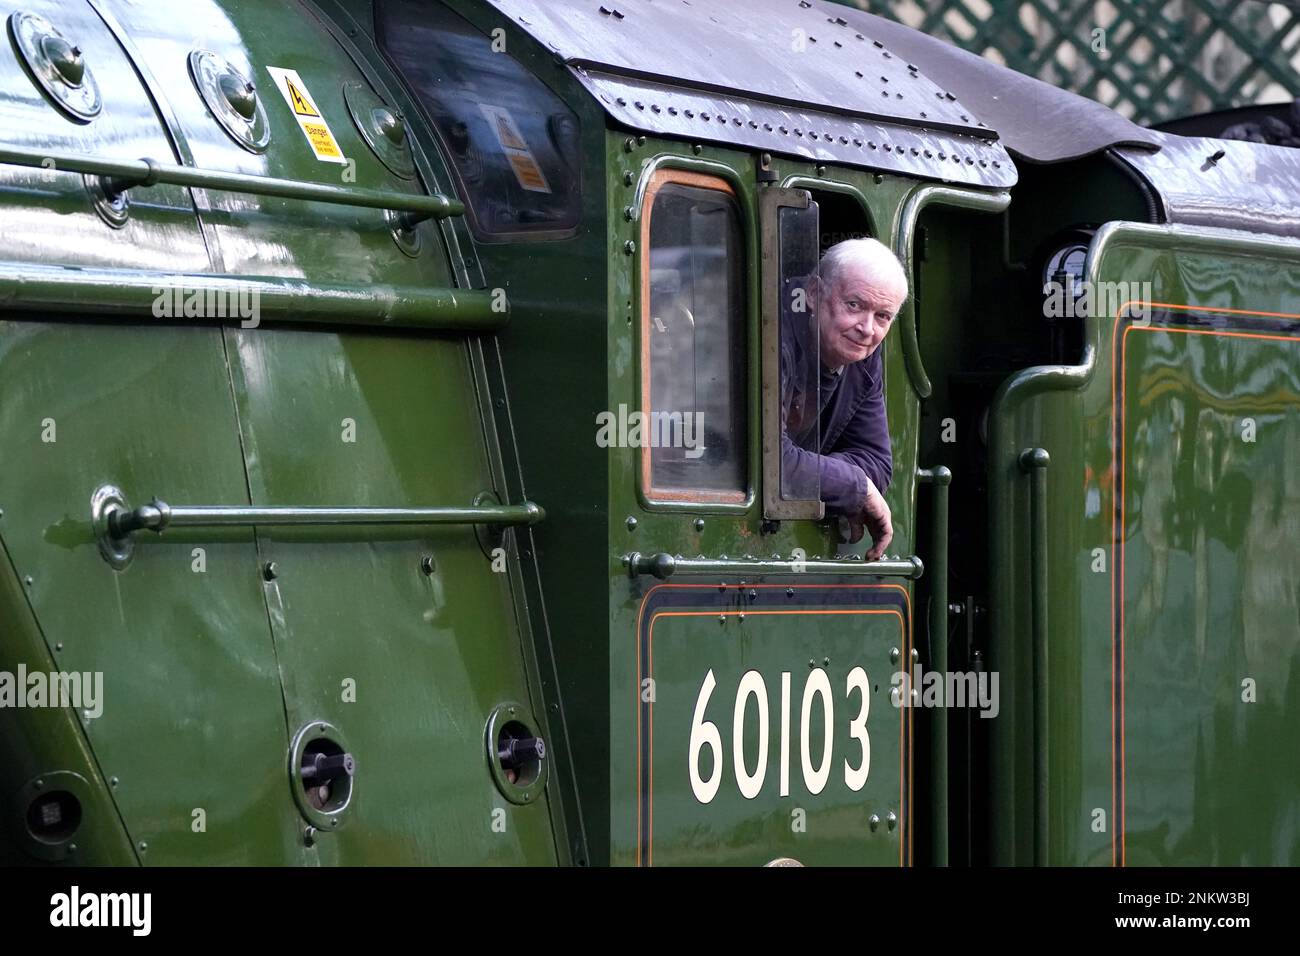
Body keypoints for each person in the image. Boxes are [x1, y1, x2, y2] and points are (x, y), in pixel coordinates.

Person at [780, 237, 908, 560]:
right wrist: (855, 487)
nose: (867, 328)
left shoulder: (861, 351)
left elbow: (876, 461)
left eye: (883, 317)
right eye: (854, 305)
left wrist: (814, 472)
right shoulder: (771, 334)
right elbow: (769, 464)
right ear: (814, 293)